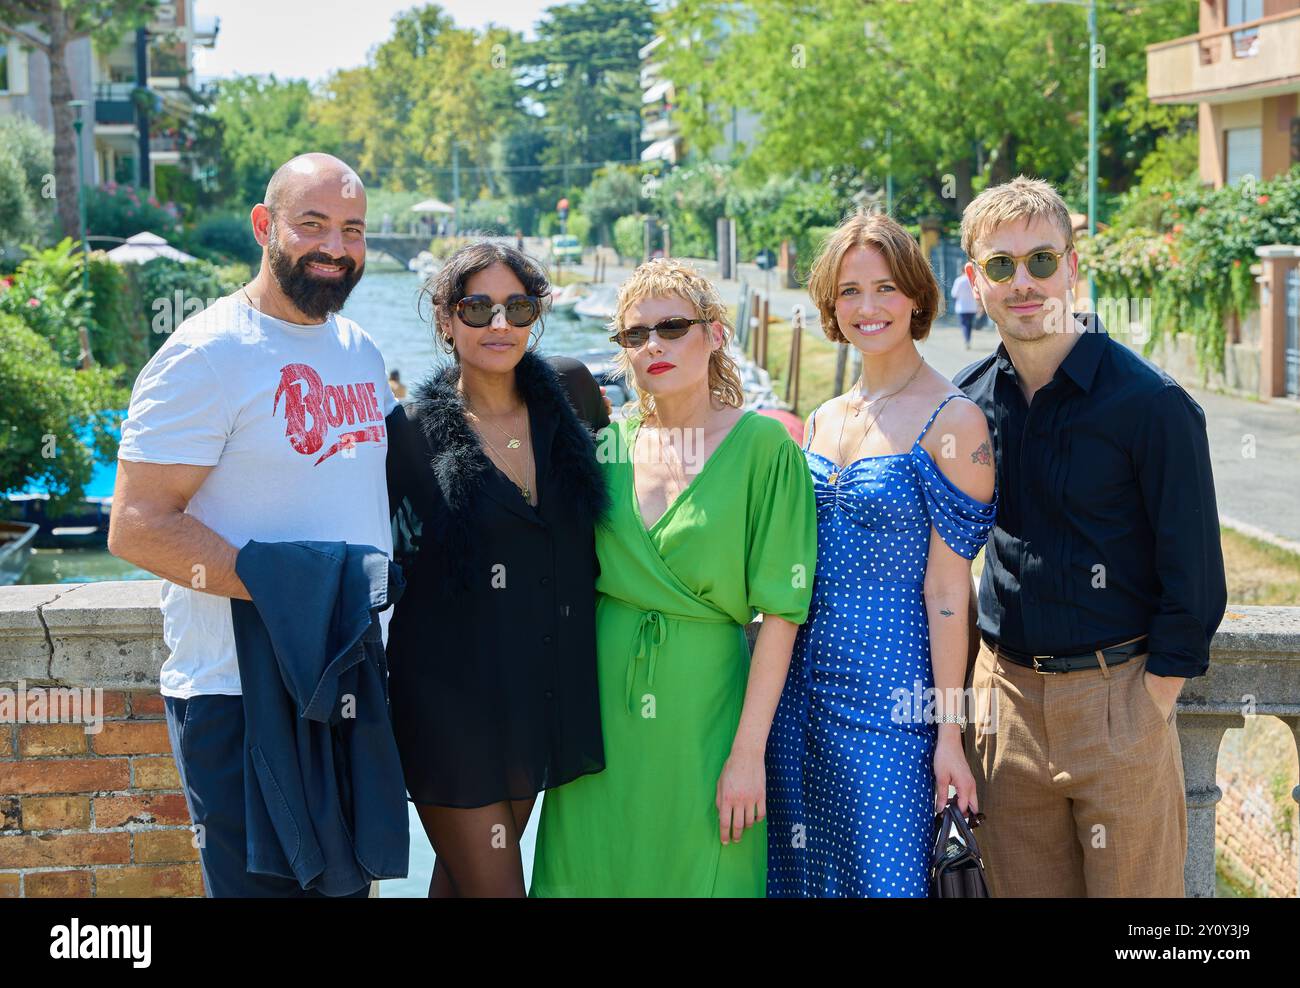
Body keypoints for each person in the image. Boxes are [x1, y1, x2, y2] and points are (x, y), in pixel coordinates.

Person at [108, 153, 390, 897]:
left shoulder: (360, 351)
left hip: (344, 682)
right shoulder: (205, 355)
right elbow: (136, 526)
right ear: (265, 226)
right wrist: (298, 596)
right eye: (313, 224)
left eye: (353, 229)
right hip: (237, 695)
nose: (335, 246)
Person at [953, 175, 1228, 897]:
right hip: (1004, 708)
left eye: (1042, 259)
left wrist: (1148, 705)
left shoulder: (1151, 405)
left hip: (1120, 703)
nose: (1025, 282)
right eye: (1002, 264)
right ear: (974, 280)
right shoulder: (968, 404)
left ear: (1073, 267)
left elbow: (1195, 582)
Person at [531, 259, 817, 897]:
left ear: (714, 334)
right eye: (635, 335)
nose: (653, 346)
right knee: (584, 875)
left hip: (706, 713)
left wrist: (747, 756)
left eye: (672, 327)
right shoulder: (605, 444)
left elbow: (783, 614)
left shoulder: (764, 448)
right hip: (597, 716)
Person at [765, 213, 996, 898]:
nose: (868, 308)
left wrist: (948, 736)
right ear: (832, 305)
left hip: (893, 706)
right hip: (800, 699)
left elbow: (950, 594)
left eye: (886, 288)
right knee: (804, 878)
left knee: (886, 879)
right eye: (850, 292)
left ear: (918, 298)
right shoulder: (826, 417)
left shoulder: (953, 421)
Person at [384, 242, 610, 897]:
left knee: (461, 882)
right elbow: (375, 553)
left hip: (539, 697)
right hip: (448, 707)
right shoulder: (409, 433)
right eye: (477, 308)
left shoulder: (572, 395)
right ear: (446, 321)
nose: (500, 324)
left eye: (518, 306)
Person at [950, 268, 980, 349]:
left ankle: (967, 340)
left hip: (962, 307)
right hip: (972, 307)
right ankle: (968, 339)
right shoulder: (974, 280)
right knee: (969, 325)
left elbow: (954, 294)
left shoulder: (959, 280)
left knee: (964, 324)